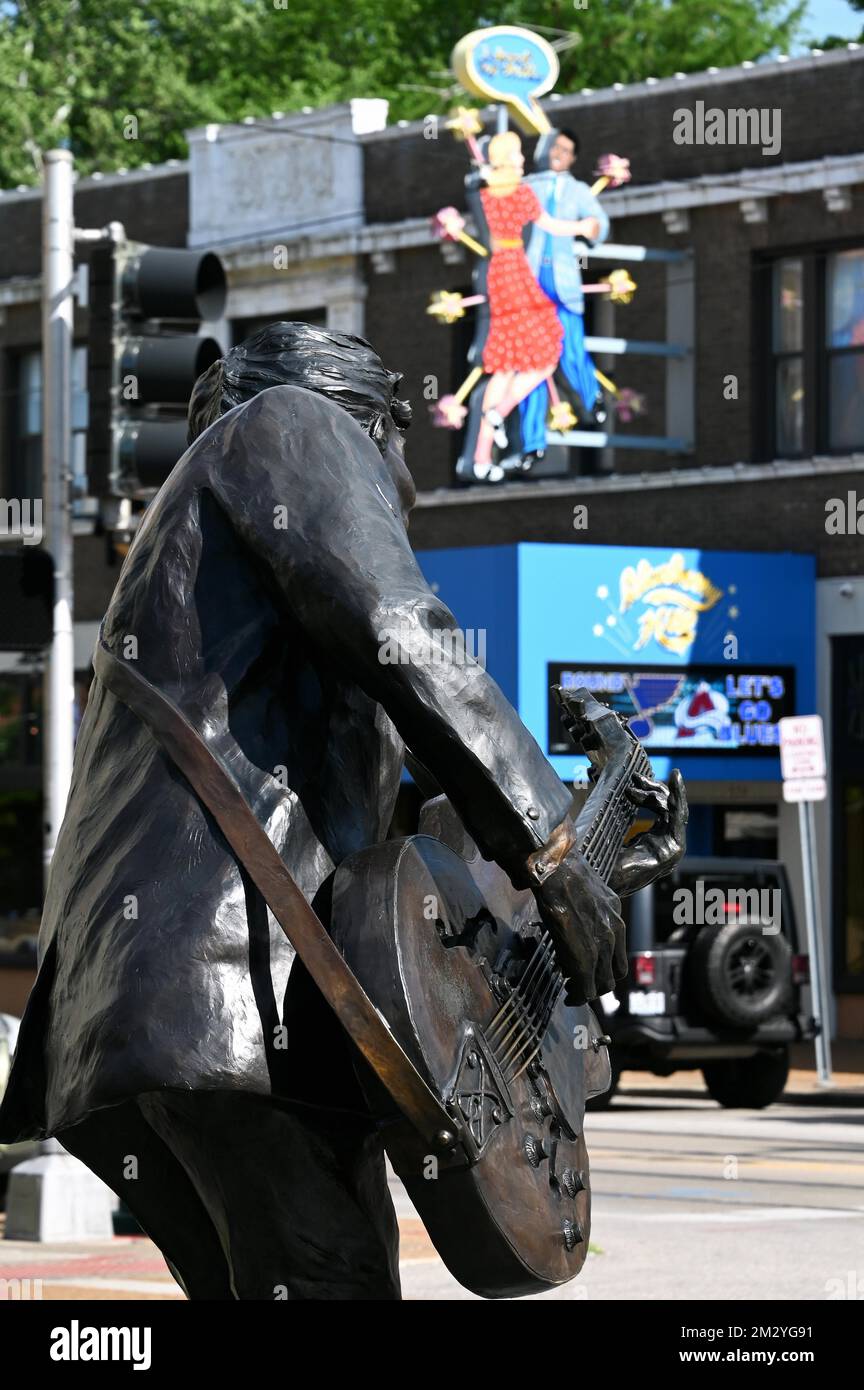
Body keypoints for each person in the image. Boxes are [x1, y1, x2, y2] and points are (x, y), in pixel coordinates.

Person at [0, 323, 685, 1300]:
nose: (398, 482)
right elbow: (402, 627)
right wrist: (552, 834)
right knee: (336, 1286)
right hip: (234, 994)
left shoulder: (223, 580)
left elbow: (395, 857)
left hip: (185, 1013)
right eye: (394, 444)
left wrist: (598, 843)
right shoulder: (292, 421)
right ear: (374, 423)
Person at [472, 131, 604, 482]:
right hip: (516, 270)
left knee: (505, 366)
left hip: (500, 271)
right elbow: (550, 225)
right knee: (546, 351)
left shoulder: (486, 192)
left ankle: (483, 455)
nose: (522, 160)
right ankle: (500, 414)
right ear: (505, 159)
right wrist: (583, 226)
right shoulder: (520, 191)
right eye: (516, 155)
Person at [518, 127, 611, 470]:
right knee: (529, 364)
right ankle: (532, 442)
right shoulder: (526, 186)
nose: (559, 153)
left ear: (573, 157)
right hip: (529, 282)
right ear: (544, 150)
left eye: (567, 150)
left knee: (572, 348)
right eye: (555, 146)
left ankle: (592, 397)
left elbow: (600, 223)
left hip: (563, 282)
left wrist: (592, 228)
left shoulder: (579, 190)